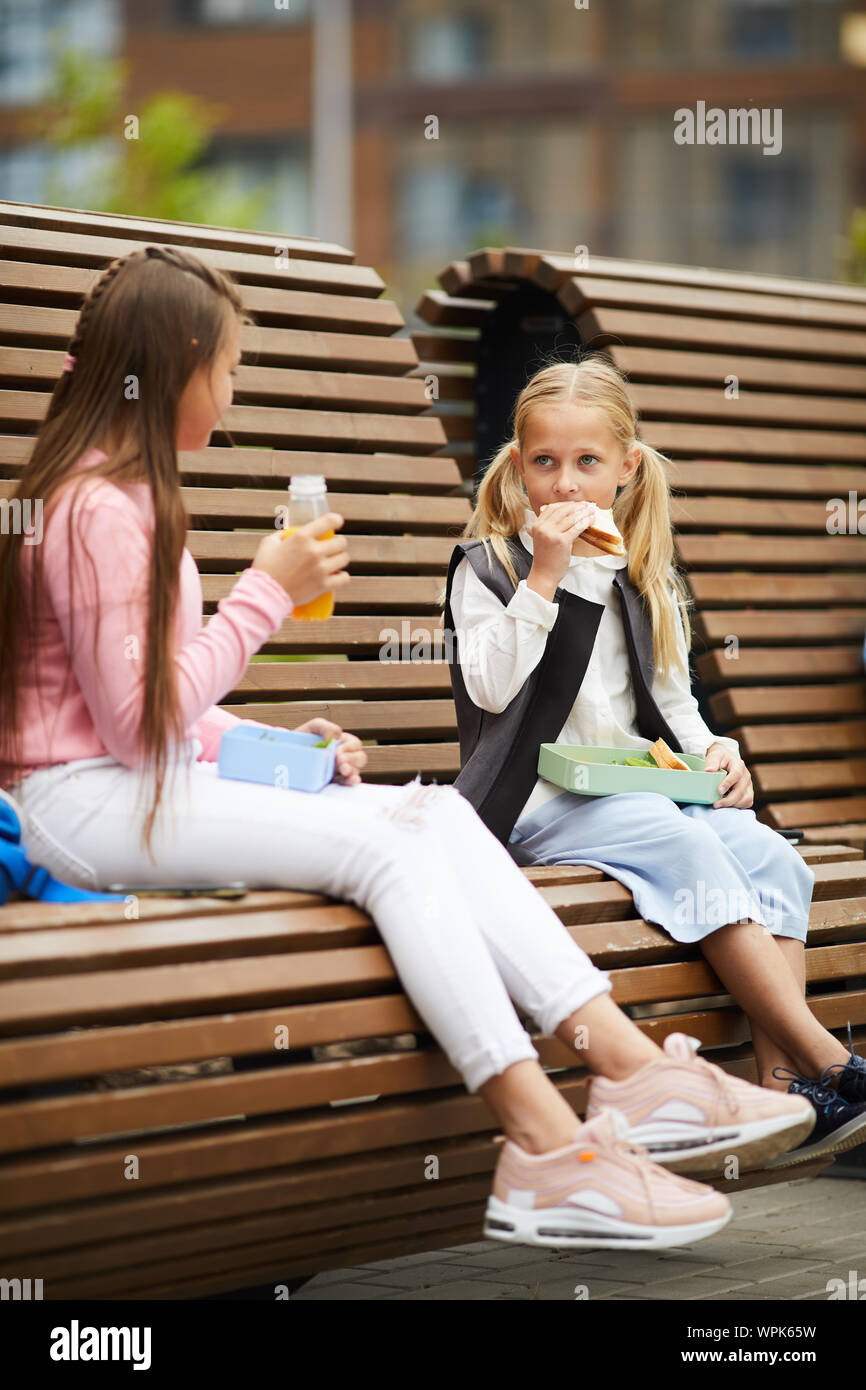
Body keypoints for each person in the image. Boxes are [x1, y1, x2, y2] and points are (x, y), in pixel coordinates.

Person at [0, 248, 812, 1258]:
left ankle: (630, 1073)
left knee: (430, 814)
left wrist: (266, 742)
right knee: (386, 851)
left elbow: (153, 712)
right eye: (231, 366)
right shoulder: (96, 510)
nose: (234, 388)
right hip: (75, 803)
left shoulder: (124, 501)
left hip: (129, 780)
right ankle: (546, 1144)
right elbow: (131, 725)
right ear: (183, 363)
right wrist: (265, 595)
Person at [444, 354, 866, 1174]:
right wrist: (546, 575)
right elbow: (492, 690)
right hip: (527, 800)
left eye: (587, 463)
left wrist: (717, 752)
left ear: (627, 468)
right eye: (546, 463)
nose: (566, 485)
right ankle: (834, 1063)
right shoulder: (489, 567)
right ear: (520, 465)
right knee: (674, 835)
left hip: (625, 786)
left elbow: (674, 705)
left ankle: (784, 1095)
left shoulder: (640, 574)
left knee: (769, 852)